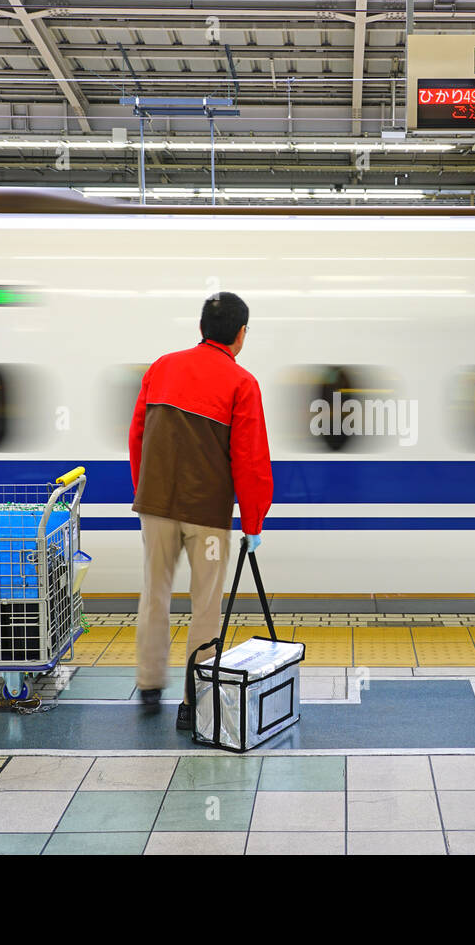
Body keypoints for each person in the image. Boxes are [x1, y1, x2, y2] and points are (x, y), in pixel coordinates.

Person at [128, 291, 273, 730]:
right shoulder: (241, 383)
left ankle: (150, 685)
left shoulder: (161, 367)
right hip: (208, 519)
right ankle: (196, 700)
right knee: (206, 604)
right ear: (241, 334)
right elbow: (249, 461)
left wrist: (147, 492)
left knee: (155, 592)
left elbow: (137, 436)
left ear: (201, 329)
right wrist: (253, 523)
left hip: (156, 509)